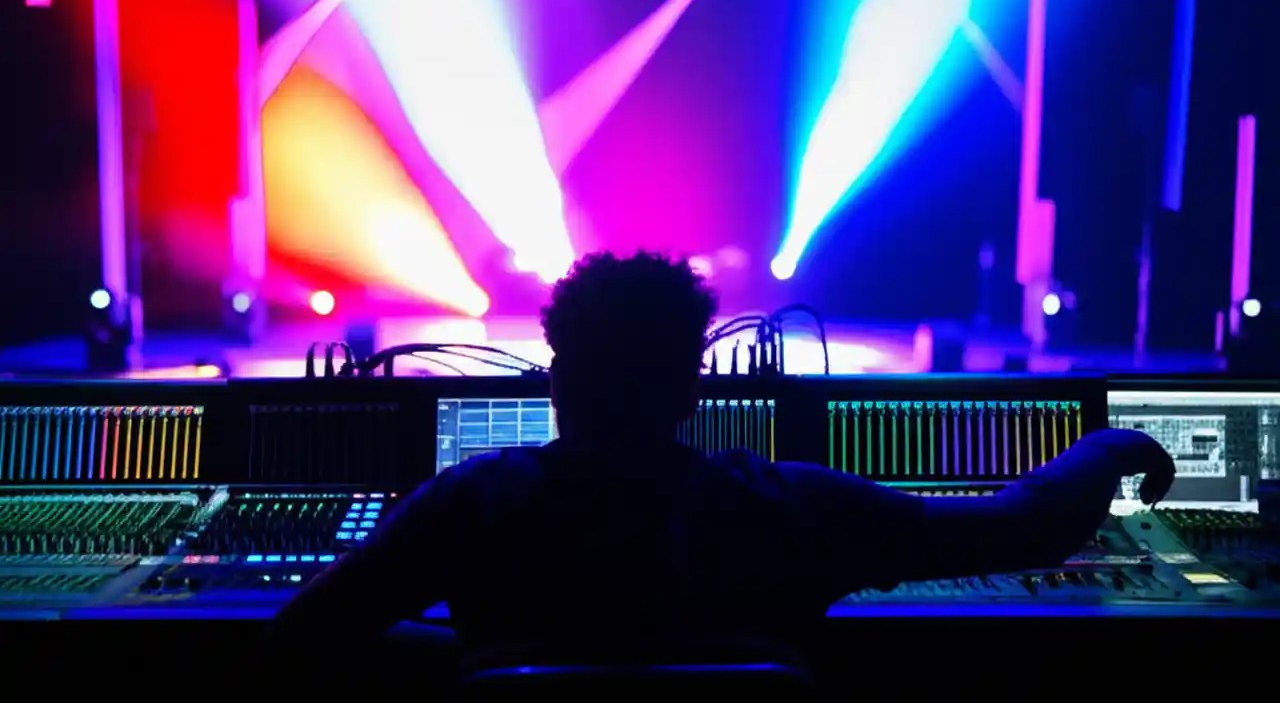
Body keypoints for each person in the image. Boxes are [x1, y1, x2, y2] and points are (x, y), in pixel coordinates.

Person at [264, 251, 1175, 666]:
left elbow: (300, 641)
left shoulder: (470, 505)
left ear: (557, 377)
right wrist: (1113, 445)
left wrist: (485, 657)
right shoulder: (787, 506)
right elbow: (1027, 526)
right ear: (691, 388)